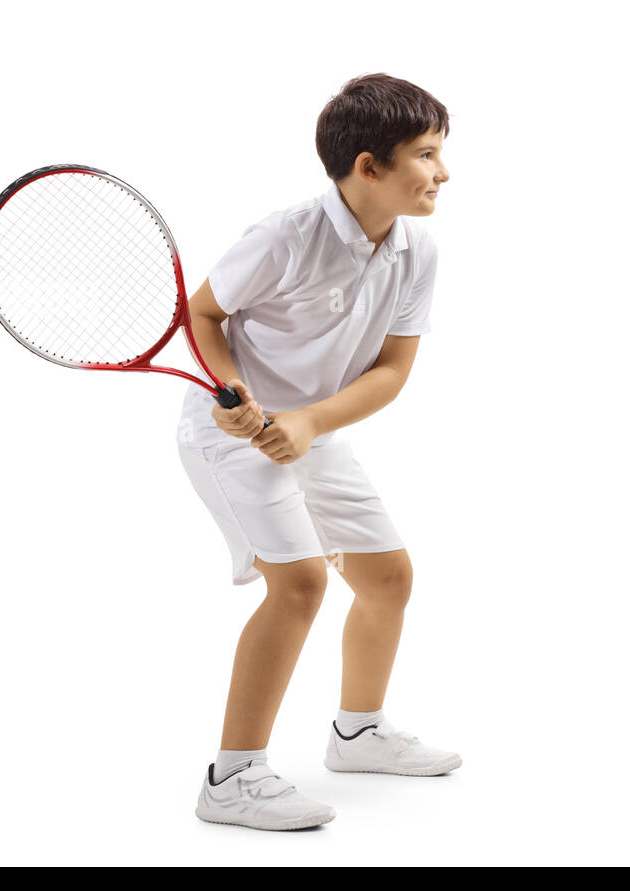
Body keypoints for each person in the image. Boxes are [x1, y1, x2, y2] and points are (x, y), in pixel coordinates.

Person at [177, 73, 458, 831]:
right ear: (368, 167)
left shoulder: (415, 252)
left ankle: (358, 732)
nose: (443, 172)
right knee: (299, 587)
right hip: (226, 438)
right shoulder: (283, 236)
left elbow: (392, 372)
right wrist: (232, 392)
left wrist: (306, 422)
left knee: (388, 578)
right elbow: (203, 314)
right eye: (427, 156)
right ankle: (231, 780)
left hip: (311, 429)